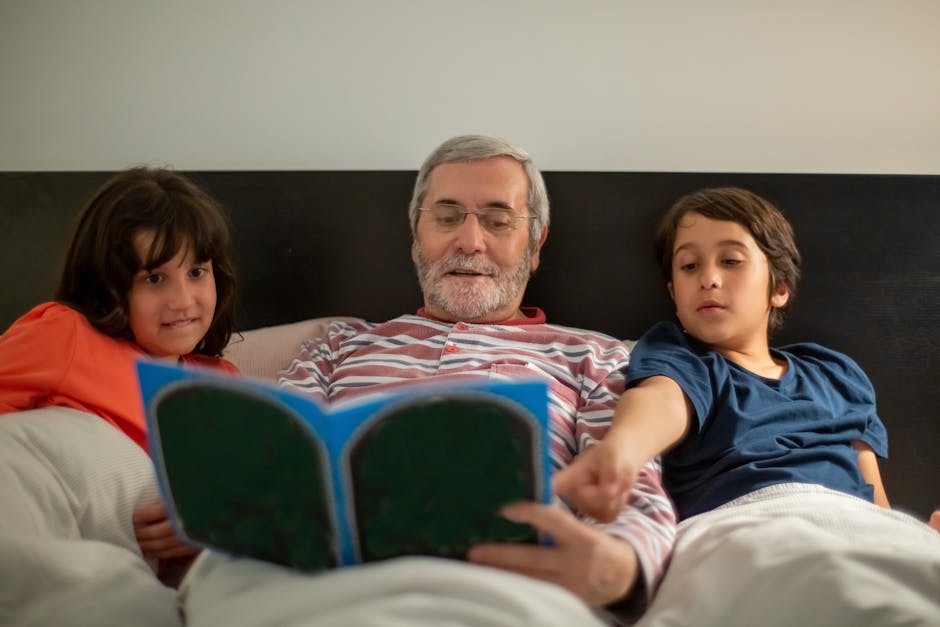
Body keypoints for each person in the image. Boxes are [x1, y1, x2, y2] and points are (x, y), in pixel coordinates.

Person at [275, 134, 677, 620]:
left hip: (495, 586)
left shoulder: (594, 357)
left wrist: (617, 569)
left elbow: (631, 495)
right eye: (446, 218)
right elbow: (271, 454)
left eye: (498, 220)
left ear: (534, 244)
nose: (469, 241)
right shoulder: (335, 344)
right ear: (415, 237)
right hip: (322, 580)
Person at [552, 187, 940, 625]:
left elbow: (873, 497)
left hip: (856, 523)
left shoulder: (836, 372)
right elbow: (660, 401)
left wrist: (914, 534)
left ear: (780, 288)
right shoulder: (679, 355)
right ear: (673, 292)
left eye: (731, 261)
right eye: (689, 265)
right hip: (744, 524)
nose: (709, 278)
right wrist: (619, 452)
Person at [0, 167, 240, 577]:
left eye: (197, 272)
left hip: (178, 576)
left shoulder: (224, 383)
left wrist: (205, 524)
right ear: (108, 286)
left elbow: (245, 497)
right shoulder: (67, 337)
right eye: (155, 278)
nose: (183, 301)